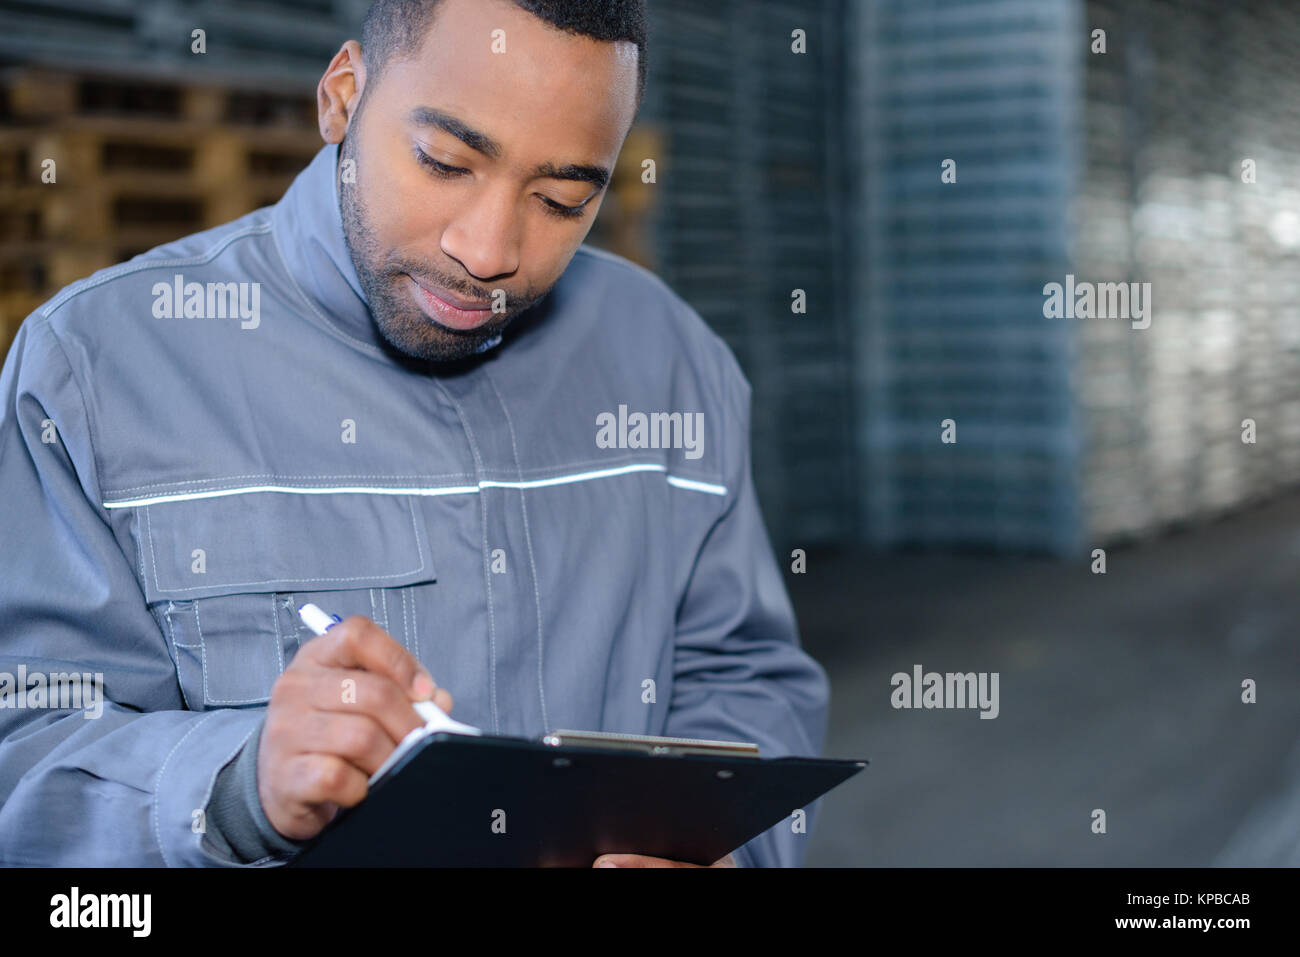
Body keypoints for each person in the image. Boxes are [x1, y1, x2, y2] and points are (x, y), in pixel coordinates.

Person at [0, 0, 830, 867]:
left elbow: (746, 676)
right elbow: (25, 756)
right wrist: (236, 789)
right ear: (343, 96)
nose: (488, 250)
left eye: (561, 198)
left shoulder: (669, 361)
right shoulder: (96, 370)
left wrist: (724, 848)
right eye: (445, 162)